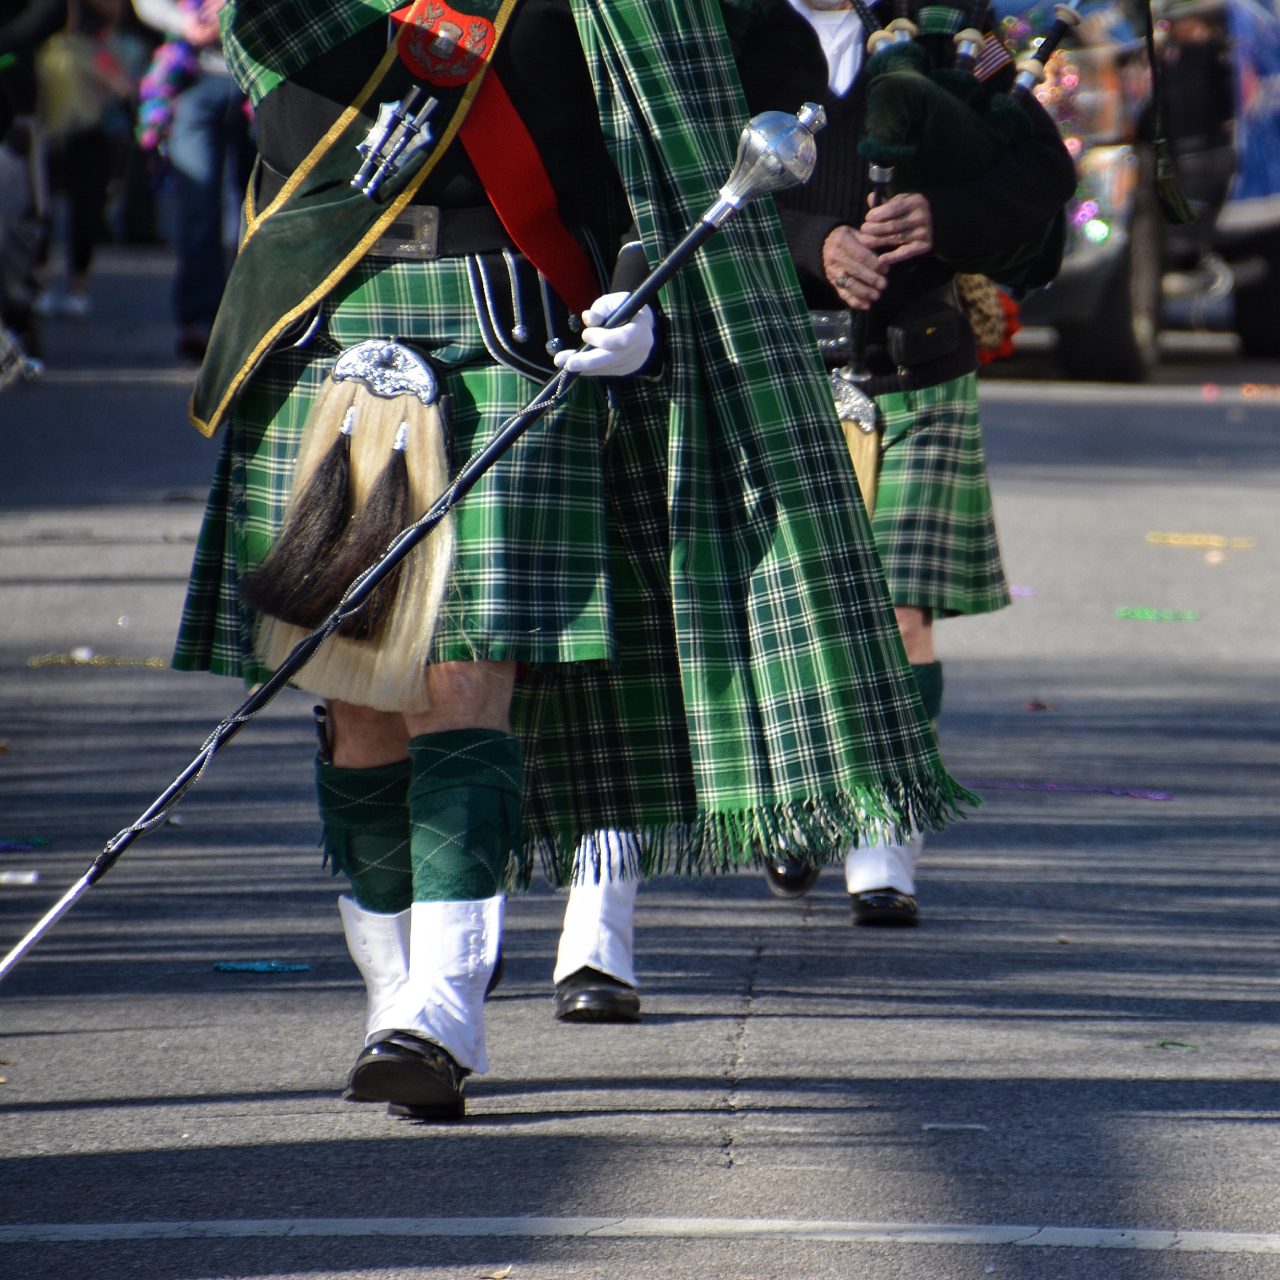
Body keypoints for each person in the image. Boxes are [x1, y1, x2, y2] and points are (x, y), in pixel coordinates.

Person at [173, 0, 973, 1119]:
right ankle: (392, 986)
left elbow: (754, 58)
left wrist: (642, 275)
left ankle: (440, 1006)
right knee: (359, 699)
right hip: (332, 318)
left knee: (461, 675)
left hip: (515, 314)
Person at [550, 0, 1075, 1022]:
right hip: (759, 362)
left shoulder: (936, 33)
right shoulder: (718, 26)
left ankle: (880, 836)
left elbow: (1040, 169)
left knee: (901, 605)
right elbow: (666, 173)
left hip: (911, 357)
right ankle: (789, 803)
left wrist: (943, 220)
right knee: (726, 619)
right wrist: (812, 239)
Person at [130, 0, 251, 356]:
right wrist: (184, 22)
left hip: (261, 75)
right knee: (197, 203)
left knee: (264, 202)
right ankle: (201, 320)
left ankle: (257, 318)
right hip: (193, 80)